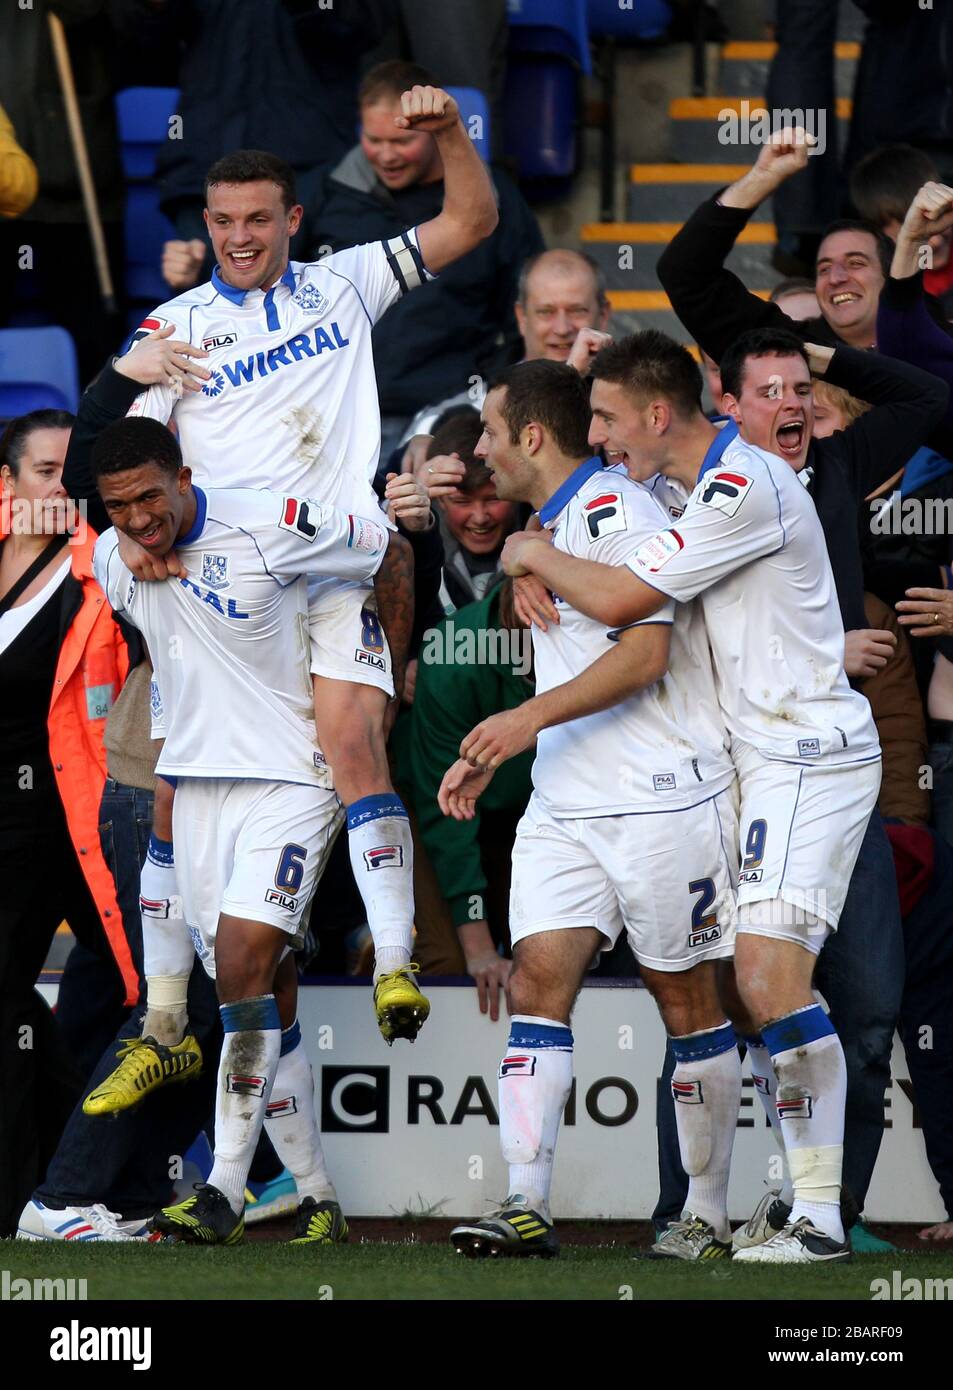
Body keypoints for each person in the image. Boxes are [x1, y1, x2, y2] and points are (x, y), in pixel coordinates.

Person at [94, 84, 498, 1090]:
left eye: (257, 221)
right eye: (223, 222)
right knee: (174, 791)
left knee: (353, 745)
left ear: (292, 222)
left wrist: (448, 131)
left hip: (326, 568)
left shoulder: (344, 285)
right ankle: (166, 1021)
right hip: (218, 590)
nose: (240, 238)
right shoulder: (174, 330)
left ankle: (396, 965)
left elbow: (471, 221)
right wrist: (126, 498)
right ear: (206, 226)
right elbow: (102, 463)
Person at [500, 332, 892, 1263]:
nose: (595, 437)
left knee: (762, 979)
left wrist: (528, 553)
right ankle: (786, 1212)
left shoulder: (740, 487)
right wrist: (543, 550)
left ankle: (819, 1222)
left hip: (808, 755)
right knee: (762, 988)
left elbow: (623, 600)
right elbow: (617, 540)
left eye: (603, 417)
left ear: (655, 415)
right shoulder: (687, 487)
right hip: (756, 763)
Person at [440, 361, 740, 1261]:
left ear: (531, 437)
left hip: (661, 799)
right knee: (538, 988)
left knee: (687, 1003)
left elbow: (645, 653)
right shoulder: (558, 523)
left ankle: (707, 1214)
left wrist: (524, 718)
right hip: (566, 802)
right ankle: (525, 1204)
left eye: (490, 432)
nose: (480, 452)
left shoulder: (622, 514)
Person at [90, 415, 399, 1245]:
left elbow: (383, 549)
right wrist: (132, 543)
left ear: (184, 476)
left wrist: (372, 692)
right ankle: (318, 1197)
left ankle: (223, 1188)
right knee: (257, 990)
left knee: (239, 960)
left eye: (149, 497)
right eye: (117, 506)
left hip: (296, 772)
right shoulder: (111, 557)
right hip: (199, 787)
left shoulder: (271, 524)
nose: (137, 517)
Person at [0, 410, 136, 1237]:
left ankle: (265, 1170)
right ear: (8, 484)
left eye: (68, 472)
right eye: (43, 472)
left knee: (159, 984)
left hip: (73, 822)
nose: (60, 488)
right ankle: (60, 1182)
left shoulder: (103, 569)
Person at [312, 60, 544, 460]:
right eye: (373, 140)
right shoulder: (323, 194)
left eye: (401, 142)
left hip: (449, 419)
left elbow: (522, 314)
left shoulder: (494, 203)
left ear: (434, 133)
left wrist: (478, 403)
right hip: (330, 413)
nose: (386, 156)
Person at [409, 575, 534, 1004]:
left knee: (545, 952)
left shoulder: (597, 639)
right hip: (443, 809)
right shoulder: (454, 653)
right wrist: (479, 945)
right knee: (449, 960)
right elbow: (449, 816)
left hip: (534, 817)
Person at [399, 249, 612, 469]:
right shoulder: (468, 402)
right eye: (545, 312)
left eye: (577, 311)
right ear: (521, 317)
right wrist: (429, 443)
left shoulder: (633, 399)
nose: (562, 328)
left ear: (604, 315)